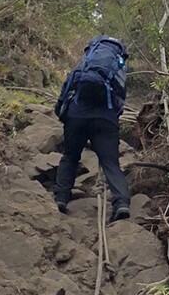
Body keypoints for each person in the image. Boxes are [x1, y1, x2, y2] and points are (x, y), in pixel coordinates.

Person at [53, 36, 132, 224]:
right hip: (105, 119)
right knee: (110, 162)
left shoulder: (85, 65)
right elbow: (120, 101)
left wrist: (64, 115)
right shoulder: (118, 68)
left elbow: (65, 93)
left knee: (70, 156)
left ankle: (61, 198)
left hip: (76, 115)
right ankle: (121, 203)